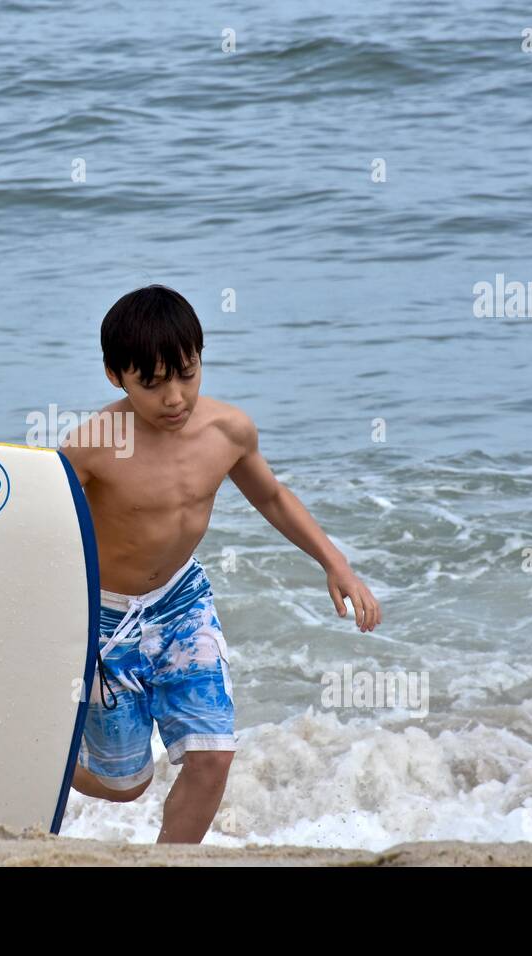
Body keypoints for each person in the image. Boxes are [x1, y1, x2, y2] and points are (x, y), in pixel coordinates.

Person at [60, 284, 381, 843]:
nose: (175, 398)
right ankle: (43, 765)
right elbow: (39, 522)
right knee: (125, 785)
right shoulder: (90, 448)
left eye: (186, 373)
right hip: (102, 620)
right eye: (152, 384)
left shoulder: (229, 432)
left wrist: (337, 564)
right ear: (116, 376)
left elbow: (272, 497)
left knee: (212, 757)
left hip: (182, 604)